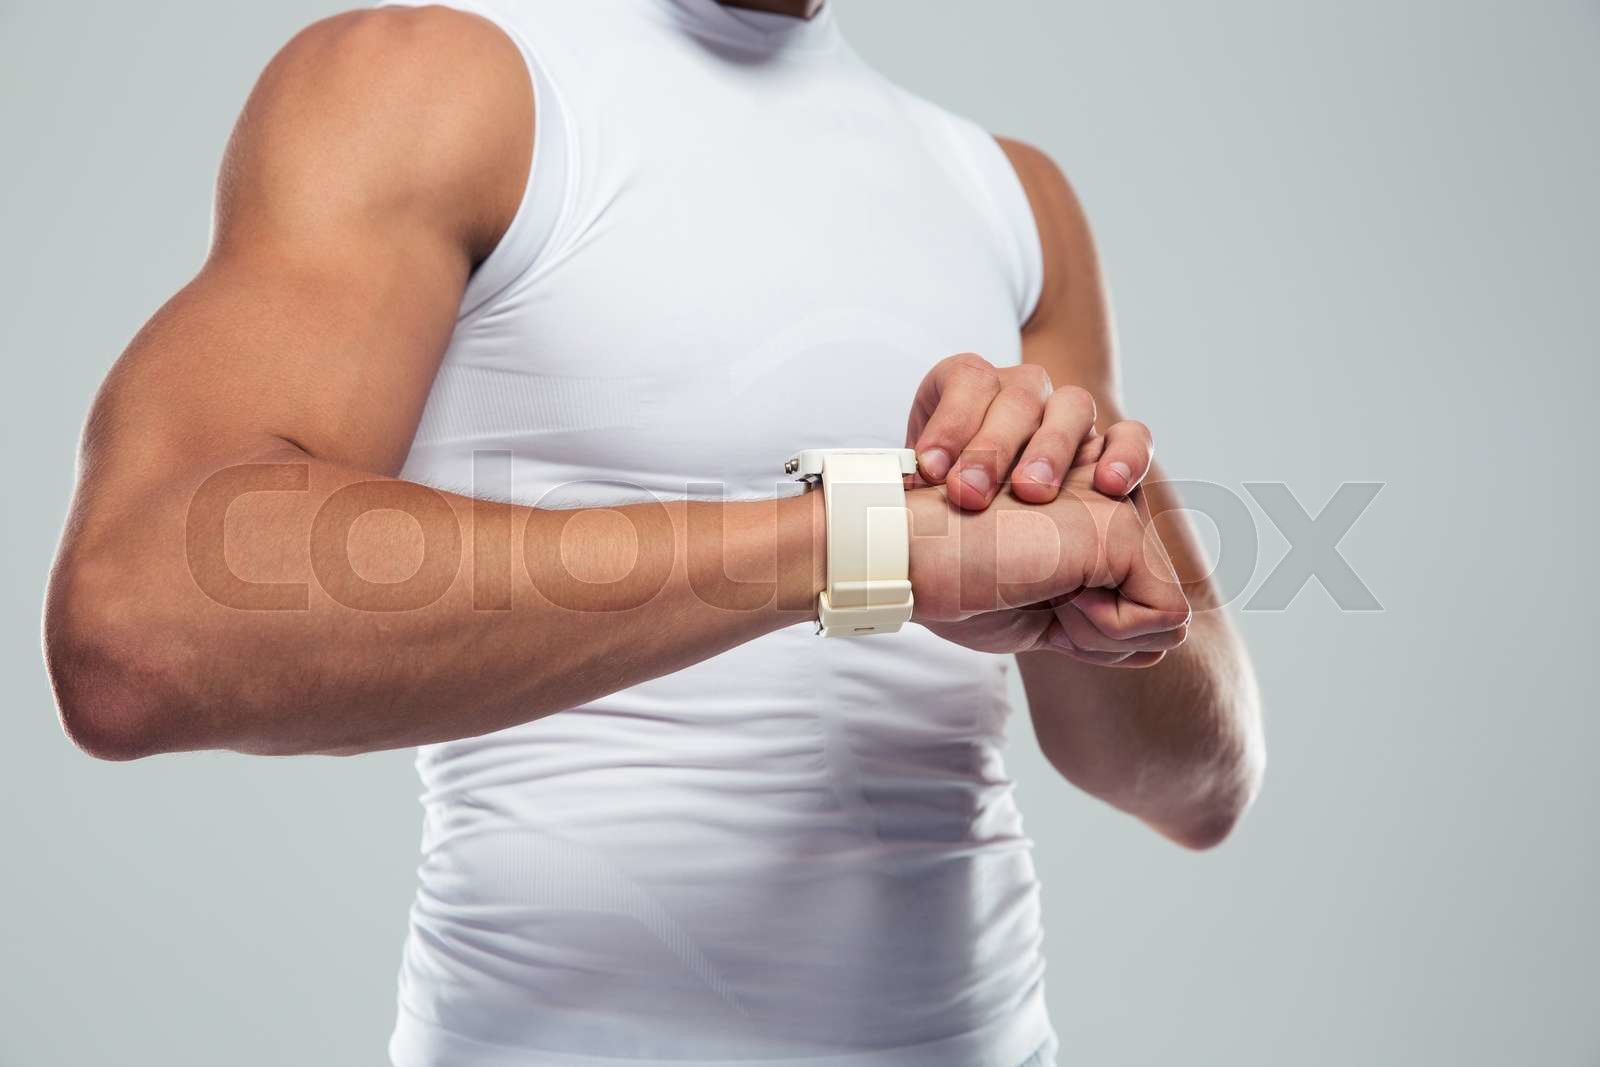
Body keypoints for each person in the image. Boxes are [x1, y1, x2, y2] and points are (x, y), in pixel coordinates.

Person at [42, 1, 1265, 1064]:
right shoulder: (437, 81)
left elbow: (1198, 786)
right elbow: (143, 622)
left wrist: (1069, 574)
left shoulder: (1010, 194)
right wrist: (858, 546)